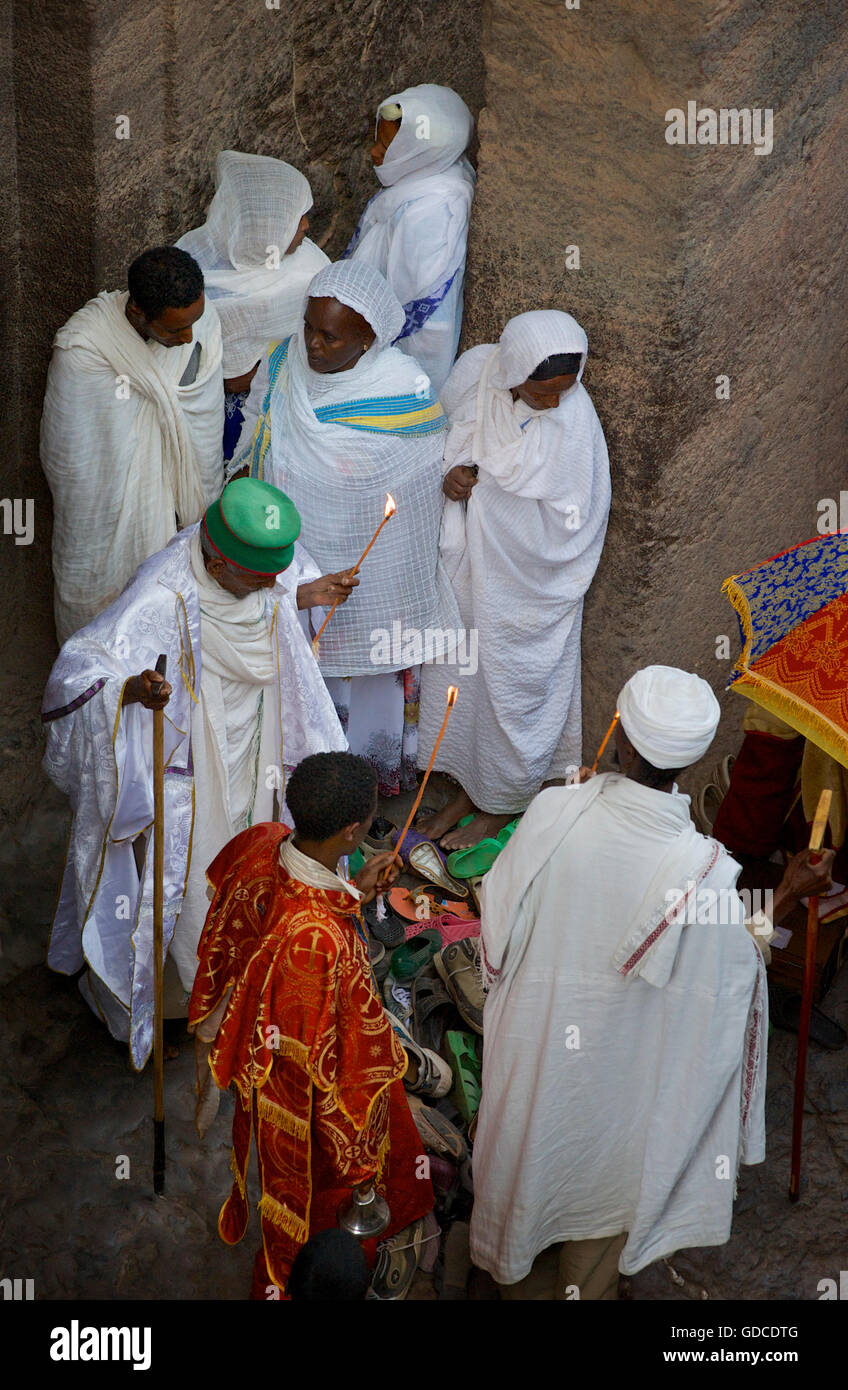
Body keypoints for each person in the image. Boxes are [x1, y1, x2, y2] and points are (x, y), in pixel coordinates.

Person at [469, 665, 834, 1299]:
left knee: (527, 1190)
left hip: (536, 1059)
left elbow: (495, 927)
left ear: (621, 742)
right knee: (596, 1218)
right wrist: (787, 893)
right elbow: (734, 967)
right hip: (619, 1091)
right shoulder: (703, 870)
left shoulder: (554, 811)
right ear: (689, 766)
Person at [42, 478, 354, 1069]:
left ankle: (233, 982)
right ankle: (170, 1004)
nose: (271, 587)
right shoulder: (163, 592)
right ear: (215, 560)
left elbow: (278, 607)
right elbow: (79, 671)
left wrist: (306, 594)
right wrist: (131, 691)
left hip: (258, 738)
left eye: (275, 577)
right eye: (259, 579)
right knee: (184, 880)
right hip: (190, 762)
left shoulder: (265, 571)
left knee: (255, 851)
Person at [188, 752, 434, 1299]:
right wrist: (352, 1149)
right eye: (369, 821)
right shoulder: (315, 941)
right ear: (352, 832)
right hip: (310, 1083)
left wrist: (354, 892)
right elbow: (318, 1059)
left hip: (278, 1029)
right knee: (335, 1182)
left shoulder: (264, 841)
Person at [234, 259, 461, 796]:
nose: (313, 344)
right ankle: (301, 783)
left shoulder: (403, 389)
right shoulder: (284, 360)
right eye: (310, 327)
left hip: (372, 572)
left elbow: (416, 486)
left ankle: (362, 788)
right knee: (303, 668)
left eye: (331, 337)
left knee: (364, 682)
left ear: (369, 339)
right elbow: (256, 434)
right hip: (295, 553)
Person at [418, 310, 611, 848]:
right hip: (472, 574)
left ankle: (501, 804)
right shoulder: (477, 373)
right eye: (542, 391)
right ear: (512, 372)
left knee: (517, 689)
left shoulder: (575, 417)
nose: (555, 402)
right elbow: (438, 441)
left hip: (531, 586)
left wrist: (491, 498)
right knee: (469, 683)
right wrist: (450, 475)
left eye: (564, 390)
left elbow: (579, 513)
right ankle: (469, 791)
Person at [40, 246, 224, 643]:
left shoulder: (201, 328)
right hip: (109, 530)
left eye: (195, 320)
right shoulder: (84, 351)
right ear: (139, 312)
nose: (190, 336)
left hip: (180, 517)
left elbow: (203, 431)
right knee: (107, 627)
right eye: (175, 330)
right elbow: (74, 464)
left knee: (175, 634)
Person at [176, 151, 329, 461]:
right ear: (266, 228)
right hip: (215, 418)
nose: (306, 225)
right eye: (296, 216)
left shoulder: (307, 270)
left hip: (283, 412)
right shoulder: (190, 259)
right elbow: (225, 377)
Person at [343, 83, 475, 393]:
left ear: (424, 151)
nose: (374, 152)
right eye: (377, 139)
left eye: (387, 146)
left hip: (402, 362)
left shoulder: (431, 211)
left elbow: (430, 324)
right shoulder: (432, 173)